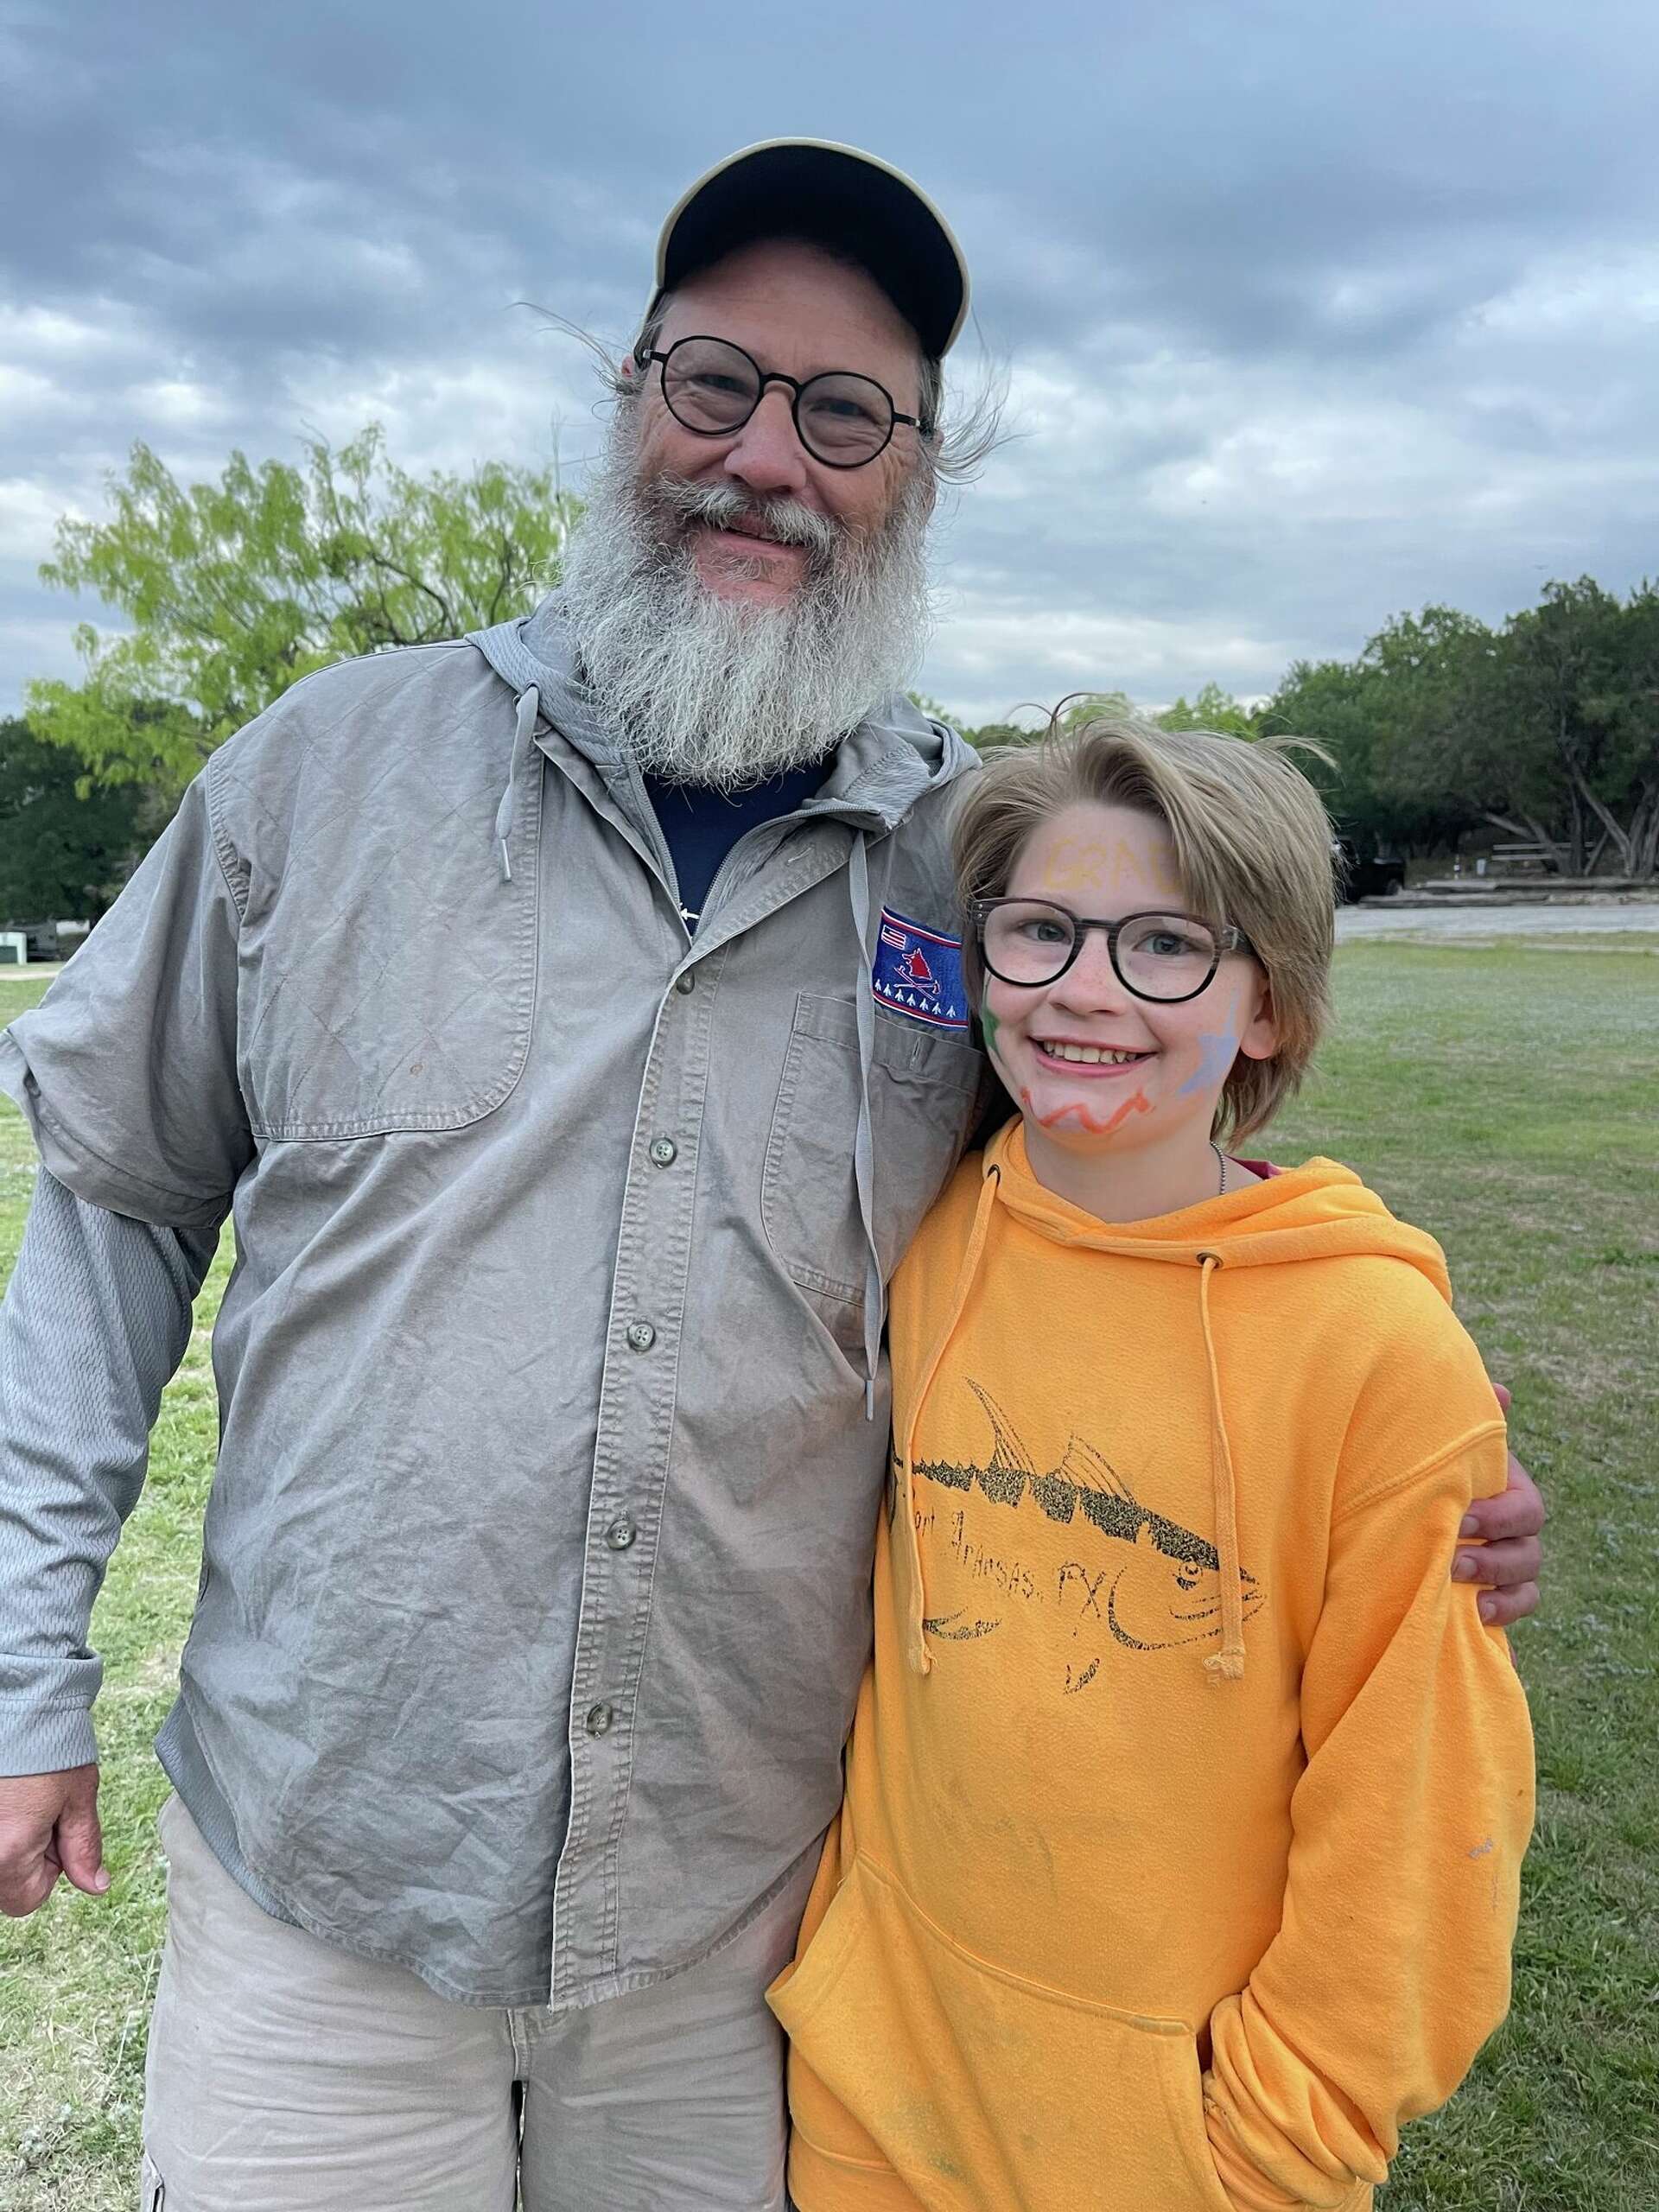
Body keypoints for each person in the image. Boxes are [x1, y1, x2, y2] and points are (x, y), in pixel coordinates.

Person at [0, 143, 1542, 2212]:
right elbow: (113, 1198)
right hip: (331, 1880)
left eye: (847, 415)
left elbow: (1118, 1183)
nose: (768, 462)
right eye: (715, 382)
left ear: (914, 470)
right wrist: (24, 1662)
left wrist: (1382, 1451)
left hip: (741, 1924)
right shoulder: (321, 769)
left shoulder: (964, 872)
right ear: (628, 390)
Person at [769, 717, 1535, 2212]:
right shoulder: (922, 1240)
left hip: (1173, 2159)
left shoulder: (1375, 1353)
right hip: (866, 2102)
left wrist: (1263, 2150)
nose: (1085, 990)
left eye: (1167, 946)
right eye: (1040, 932)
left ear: (1267, 1007)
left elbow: (1421, 1827)